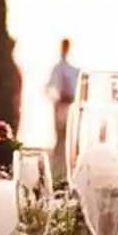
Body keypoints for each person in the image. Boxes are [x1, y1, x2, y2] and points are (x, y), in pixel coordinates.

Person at [46, 38, 79, 179]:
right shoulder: (58, 69)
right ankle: (56, 170)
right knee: (59, 138)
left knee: (69, 137)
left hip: (70, 105)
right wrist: (56, 99)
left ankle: (66, 171)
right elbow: (49, 87)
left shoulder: (72, 70)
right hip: (60, 106)